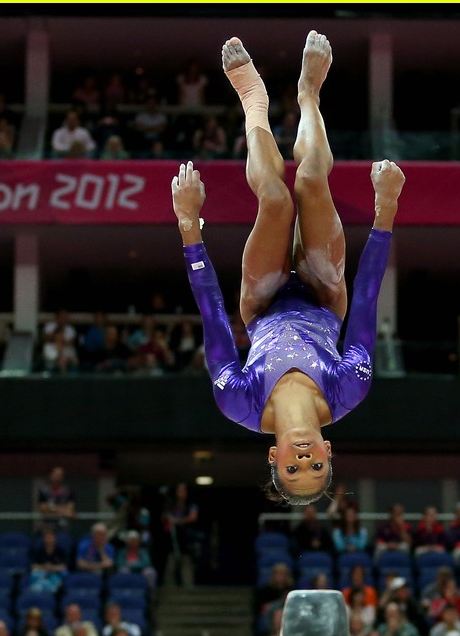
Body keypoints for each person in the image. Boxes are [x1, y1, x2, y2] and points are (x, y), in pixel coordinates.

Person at [172, 32, 404, 505]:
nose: (305, 456)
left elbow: (213, 317)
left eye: (295, 467)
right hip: (324, 295)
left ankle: (253, 99)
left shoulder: (238, 403)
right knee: (312, 181)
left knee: (277, 200)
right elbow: (365, 302)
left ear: (273, 458)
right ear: (329, 449)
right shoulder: (347, 392)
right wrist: (386, 209)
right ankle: (308, 96)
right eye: (317, 465)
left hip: (263, 302)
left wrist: (188, 224)